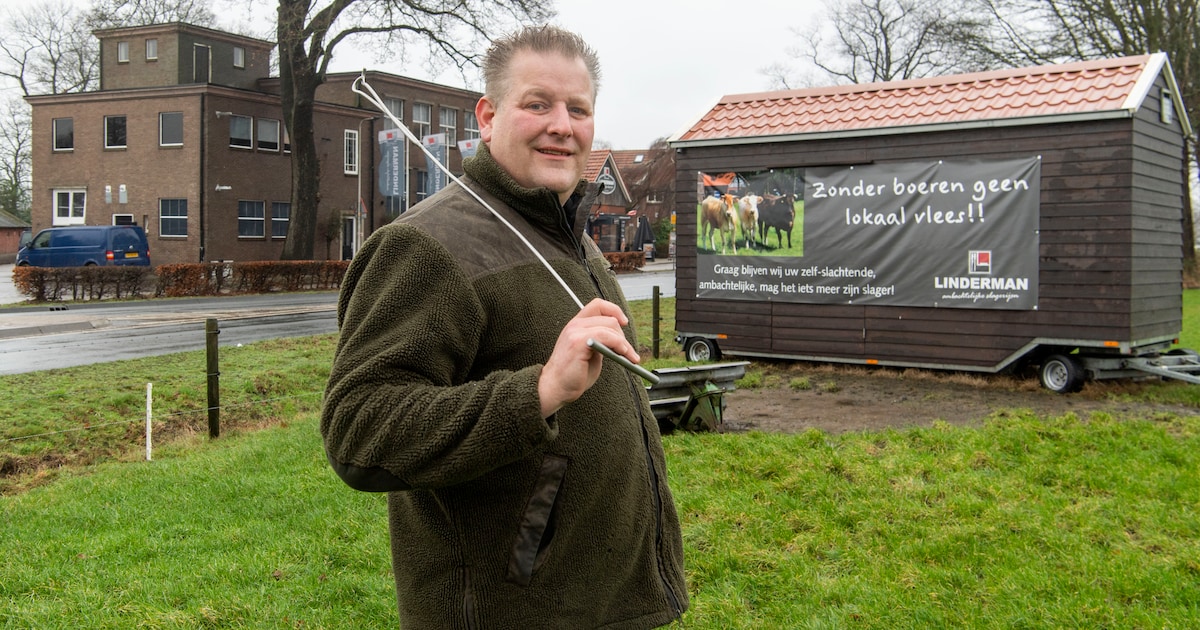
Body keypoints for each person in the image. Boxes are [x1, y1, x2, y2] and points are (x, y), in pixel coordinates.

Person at [321, 25, 689, 628]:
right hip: (514, 608)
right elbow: (359, 432)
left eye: (578, 109)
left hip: (605, 602)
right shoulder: (426, 247)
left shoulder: (570, 238)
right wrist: (538, 392)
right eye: (537, 104)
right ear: (488, 116)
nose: (562, 126)